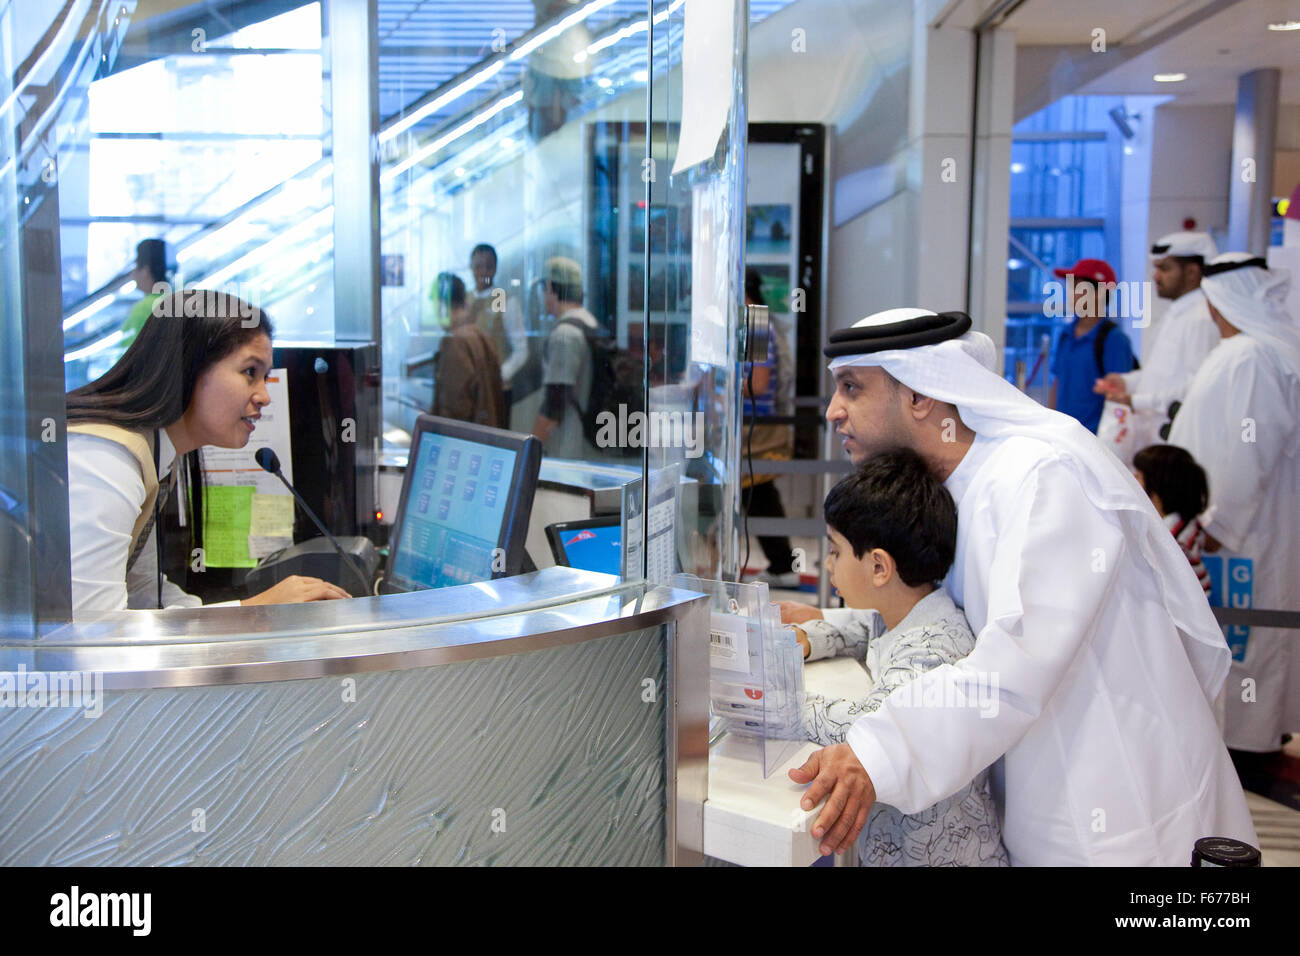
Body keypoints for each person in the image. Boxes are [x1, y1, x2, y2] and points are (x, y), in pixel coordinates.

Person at [779, 307, 1254, 864]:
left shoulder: (1040, 477)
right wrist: (822, 626)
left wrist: (876, 752)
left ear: (920, 396)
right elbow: (939, 614)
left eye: (852, 388)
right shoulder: (954, 488)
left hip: (1122, 808)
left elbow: (1011, 668)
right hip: (1039, 794)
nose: (834, 411)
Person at [66, 290, 352, 615]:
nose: (264, 396)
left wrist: (247, 614)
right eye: (250, 373)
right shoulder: (106, 460)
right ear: (189, 367)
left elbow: (145, 591)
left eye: (267, 377)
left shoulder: (154, 453)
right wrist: (253, 610)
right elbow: (97, 635)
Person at [791, 449, 1008, 866]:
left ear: (878, 567)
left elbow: (864, 729)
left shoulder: (931, 649)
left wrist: (770, 698)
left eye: (835, 551)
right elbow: (862, 629)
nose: (829, 565)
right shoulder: (907, 611)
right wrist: (811, 637)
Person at [1167, 253, 1300, 759]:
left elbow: (1251, 452)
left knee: (1245, 641)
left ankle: (1248, 740)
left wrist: (1220, 524)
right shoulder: (1249, 351)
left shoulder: (1251, 356)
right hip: (1229, 525)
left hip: (1244, 532)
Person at [1095, 231, 1220, 451]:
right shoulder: (1177, 312)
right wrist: (1128, 382)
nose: (1155, 276)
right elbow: (1162, 374)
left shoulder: (1202, 318)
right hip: (1153, 440)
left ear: (1192, 273)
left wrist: (1136, 401)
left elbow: (1196, 387)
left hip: (1176, 442)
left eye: (1164, 268)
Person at [741, 267, 797, 588]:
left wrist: (721, 385)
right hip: (756, 424)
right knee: (759, 493)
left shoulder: (756, 323)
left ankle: (782, 566)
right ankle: (781, 565)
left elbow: (758, 383)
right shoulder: (759, 320)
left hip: (756, 427)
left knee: (758, 491)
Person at [1048, 257, 1135, 432]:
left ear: (1099, 293)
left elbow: (1120, 398)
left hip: (1095, 442)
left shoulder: (1114, 340)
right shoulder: (1065, 335)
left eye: (1078, 288)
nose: (1071, 293)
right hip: (1063, 437)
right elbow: (1057, 383)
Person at [531, 256, 598, 460]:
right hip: (587, 442)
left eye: (544, 291)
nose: (543, 298)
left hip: (570, 445)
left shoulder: (565, 335)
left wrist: (529, 450)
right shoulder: (589, 322)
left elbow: (554, 403)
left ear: (551, 287)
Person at [430, 272, 507, 429]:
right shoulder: (482, 335)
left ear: (441, 305)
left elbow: (454, 408)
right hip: (487, 436)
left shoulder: (455, 342)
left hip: (464, 444)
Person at [1132, 444, 1212, 594]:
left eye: (1138, 476)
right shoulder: (1185, 524)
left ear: (1156, 485)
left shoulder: (1173, 538)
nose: (1132, 479)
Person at [466, 243, 528, 400]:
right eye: (478, 266)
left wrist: (499, 376)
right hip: (467, 389)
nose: (483, 272)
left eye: (488, 267)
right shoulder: (465, 299)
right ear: (471, 267)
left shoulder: (502, 298)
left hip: (495, 390)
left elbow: (521, 349)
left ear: (495, 269)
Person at [119, 239, 169, 352]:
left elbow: (129, 352)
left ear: (146, 271)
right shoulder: (173, 302)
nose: (133, 274)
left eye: (136, 266)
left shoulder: (143, 308)